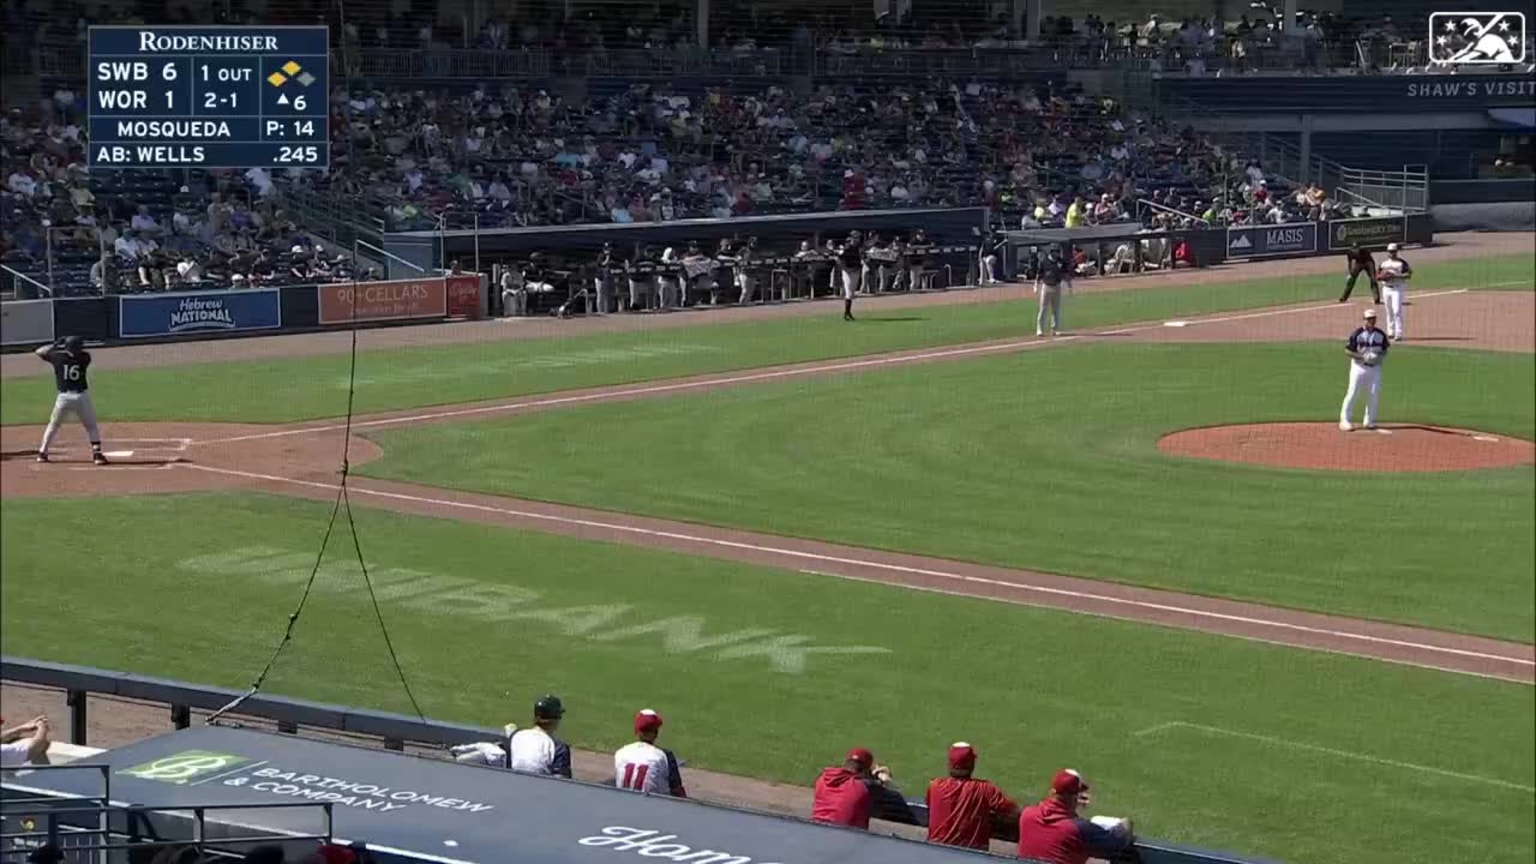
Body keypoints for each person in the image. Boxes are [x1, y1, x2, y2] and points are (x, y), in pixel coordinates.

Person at [1016, 769, 1135, 864]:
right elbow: (1119, 841)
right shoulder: (1078, 829)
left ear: (1052, 792)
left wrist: (1072, 807)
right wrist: (1127, 822)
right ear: (1075, 797)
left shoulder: (1027, 815)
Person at [925, 743, 1019, 850]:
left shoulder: (935, 786)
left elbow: (930, 806)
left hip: (935, 852)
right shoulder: (985, 789)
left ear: (950, 764)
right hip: (972, 855)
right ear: (972, 765)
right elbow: (1014, 812)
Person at [34, 336, 107, 464]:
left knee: (53, 425)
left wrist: (56, 344)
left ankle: (42, 453)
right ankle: (97, 455)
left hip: (63, 398)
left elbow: (39, 352)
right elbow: (80, 353)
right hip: (81, 397)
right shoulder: (85, 357)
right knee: (91, 426)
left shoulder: (58, 357)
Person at [810, 747, 914, 829]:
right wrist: (885, 780)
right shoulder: (865, 786)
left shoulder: (822, 780)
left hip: (816, 830)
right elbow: (895, 800)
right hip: (847, 838)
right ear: (865, 770)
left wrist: (873, 779)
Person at [612, 709, 687, 797]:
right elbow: (678, 792)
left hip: (622, 801)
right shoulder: (663, 756)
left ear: (637, 732)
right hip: (652, 804)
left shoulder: (621, 753)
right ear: (656, 733)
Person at [1340, 307, 1389, 432]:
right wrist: (1362, 357)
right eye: (1368, 319)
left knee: (1374, 393)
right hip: (1359, 367)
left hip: (1375, 368)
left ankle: (1369, 420)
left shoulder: (1381, 334)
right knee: (1353, 392)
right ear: (1364, 319)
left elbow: (1384, 350)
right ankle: (1345, 420)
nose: (1371, 321)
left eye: (1373, 318)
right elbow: (1348, 351)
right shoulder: (1357, 334)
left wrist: (1378, 358)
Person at [506, 695, 572, 778]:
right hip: (539, 784)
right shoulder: (558, 746)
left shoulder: (516, 735)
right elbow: (562, 781)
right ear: (556, 719)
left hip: (511, 781)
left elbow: (505, 768)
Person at [1377, 242, 1412, 340]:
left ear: (1397, 251)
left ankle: (1399, 333)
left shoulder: (1402, 263)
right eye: (1390, 251)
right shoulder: (1384, 264)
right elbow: (1377, 276)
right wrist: (1383, 277)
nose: (1392, 253)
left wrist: (1395, 276)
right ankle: (1390, 332)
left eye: (1393, 251)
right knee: (1389, 311)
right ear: (1387, 252)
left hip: (1397, 288)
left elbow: (1408, 275)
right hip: (1386, 288)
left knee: (1396, 310)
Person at [1035, 247, 1070, 337]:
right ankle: (1040, 328)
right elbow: (1039, 274)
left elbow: (1065, 274)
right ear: (1052, 252)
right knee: (1043, 308)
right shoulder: (1044, 262)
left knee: (1056, 309)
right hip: (1046, 286)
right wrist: (1035, 286)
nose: (1058, 254)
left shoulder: (1060, 262)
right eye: (1056, 252)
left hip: (1057, 286)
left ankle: (1055, 329)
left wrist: (1069, 284)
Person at [836, 231, 863, 321]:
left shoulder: (858, 247)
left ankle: (848, 313)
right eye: (855, 237)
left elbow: (861, 257)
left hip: (856, 270)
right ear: (851, 238)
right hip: (848, 271)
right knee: (849, 292)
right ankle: (846, 313)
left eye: (858, 237)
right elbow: (838, 259)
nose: (857, 239)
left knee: (852, 292)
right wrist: (846, 269)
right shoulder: (846, 247)